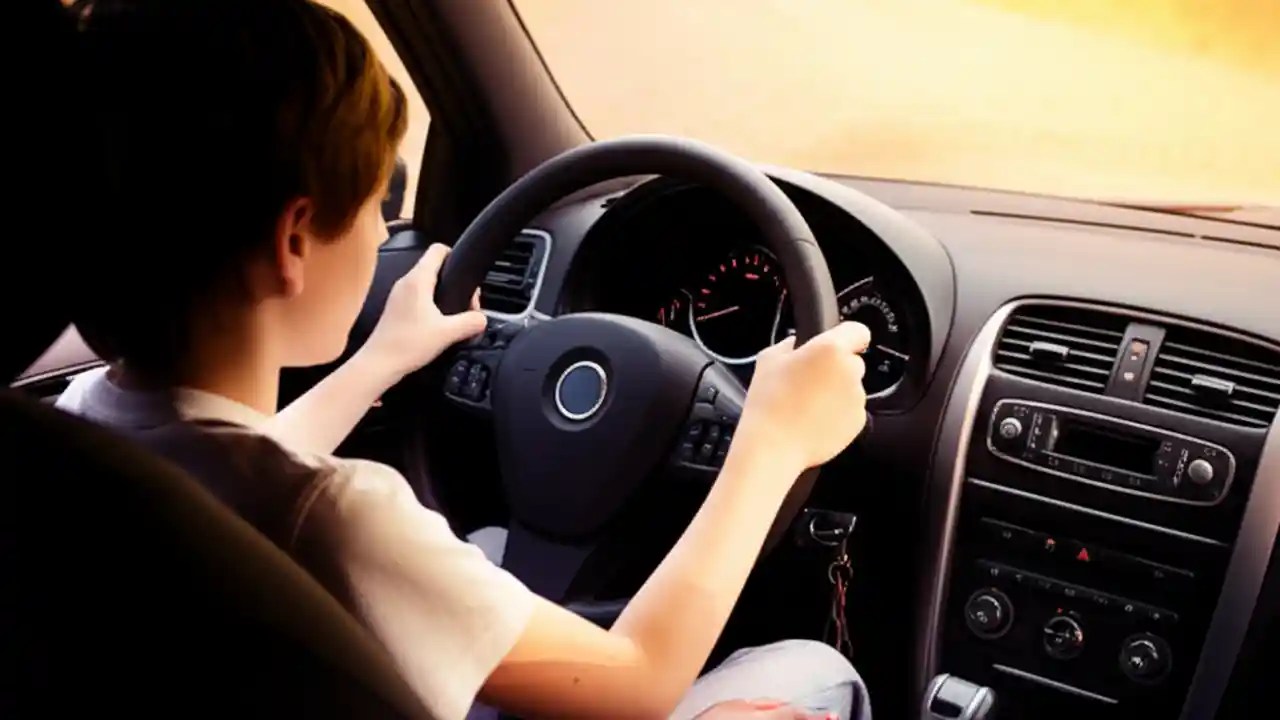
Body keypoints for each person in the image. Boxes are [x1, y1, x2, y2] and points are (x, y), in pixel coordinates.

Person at [57, 2, 873, 719]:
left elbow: (238, 472)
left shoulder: (79, 428)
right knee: (812, 675)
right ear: (294, 240)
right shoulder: (345, 519)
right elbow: (637, 685)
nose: (384, 232)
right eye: (378, 205)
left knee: (483, 543)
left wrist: (380, 360)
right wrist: (770, 445)